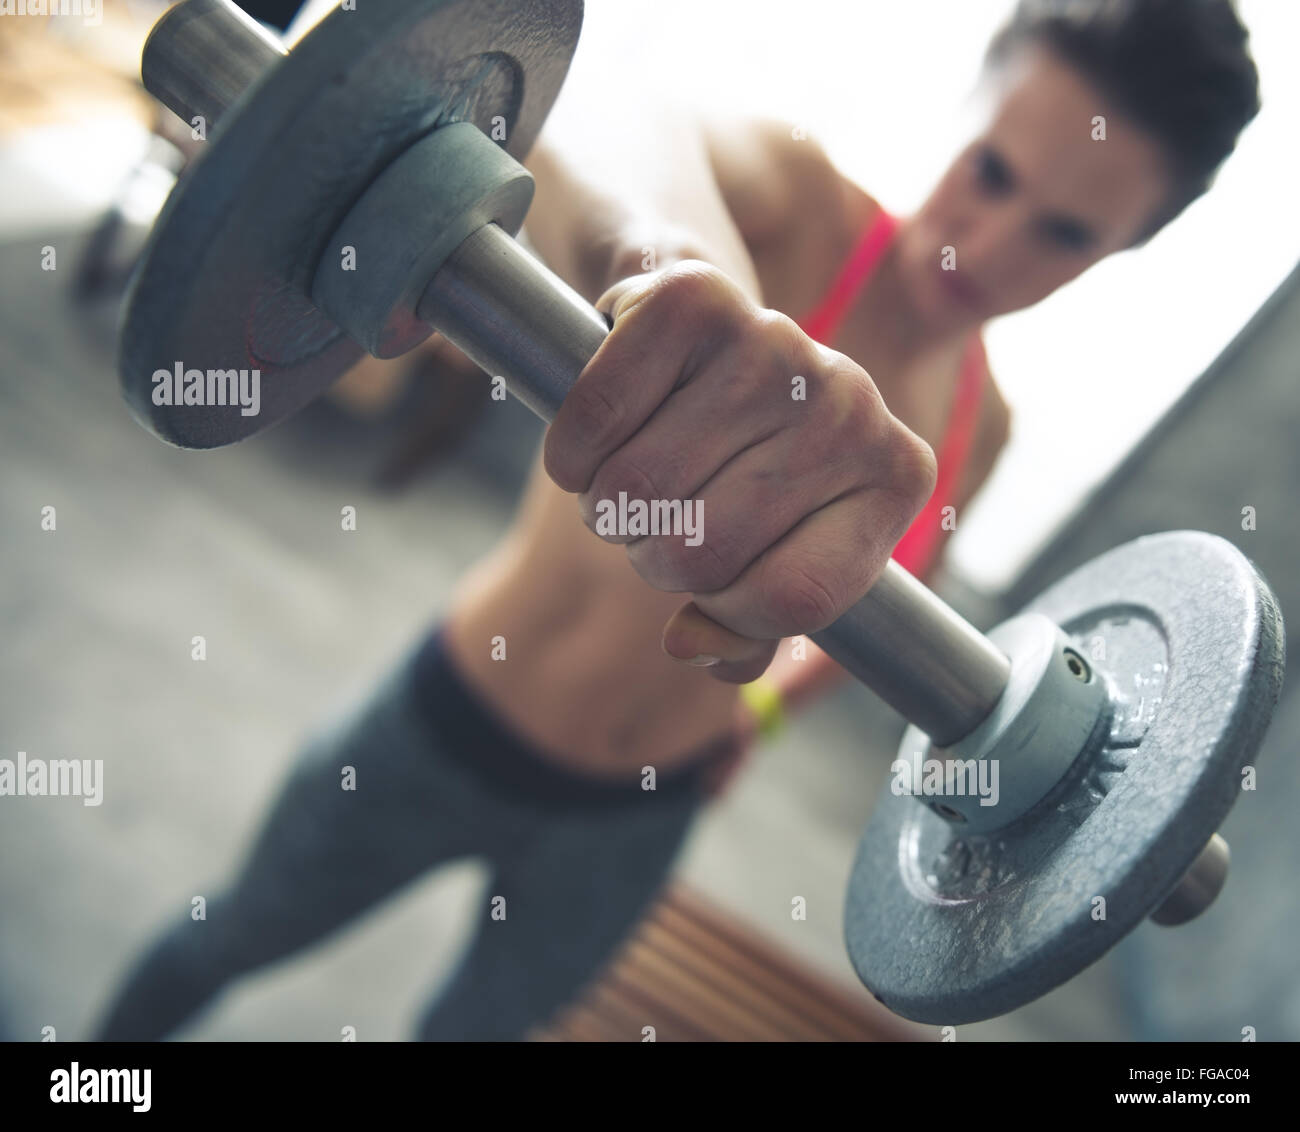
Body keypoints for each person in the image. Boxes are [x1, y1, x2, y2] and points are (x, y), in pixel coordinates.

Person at [93, 0, 1260, 1041]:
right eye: (992, 172)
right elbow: (601, 106)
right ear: (967, 111)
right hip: (454, 719)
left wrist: (754, 708)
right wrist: (672, 272)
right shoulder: (798, 210)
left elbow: (858, 609)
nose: (990, 244)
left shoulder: (980, 425)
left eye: (1065, 233)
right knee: (224, 939)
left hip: (634, 823)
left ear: (1120, 253)